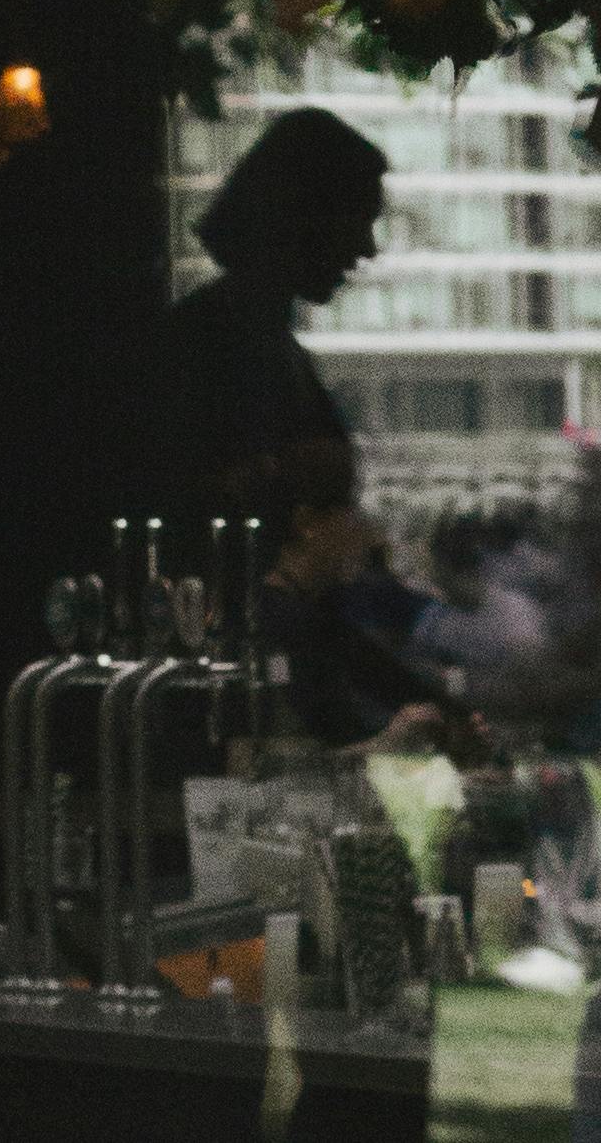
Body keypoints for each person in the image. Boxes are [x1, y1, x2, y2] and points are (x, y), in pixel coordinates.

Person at [159, 107, 428, 741]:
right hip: (246, 718)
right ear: (303, 216)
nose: (366, 247)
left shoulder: (245, 341)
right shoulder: (218, 347)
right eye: (357, 219)